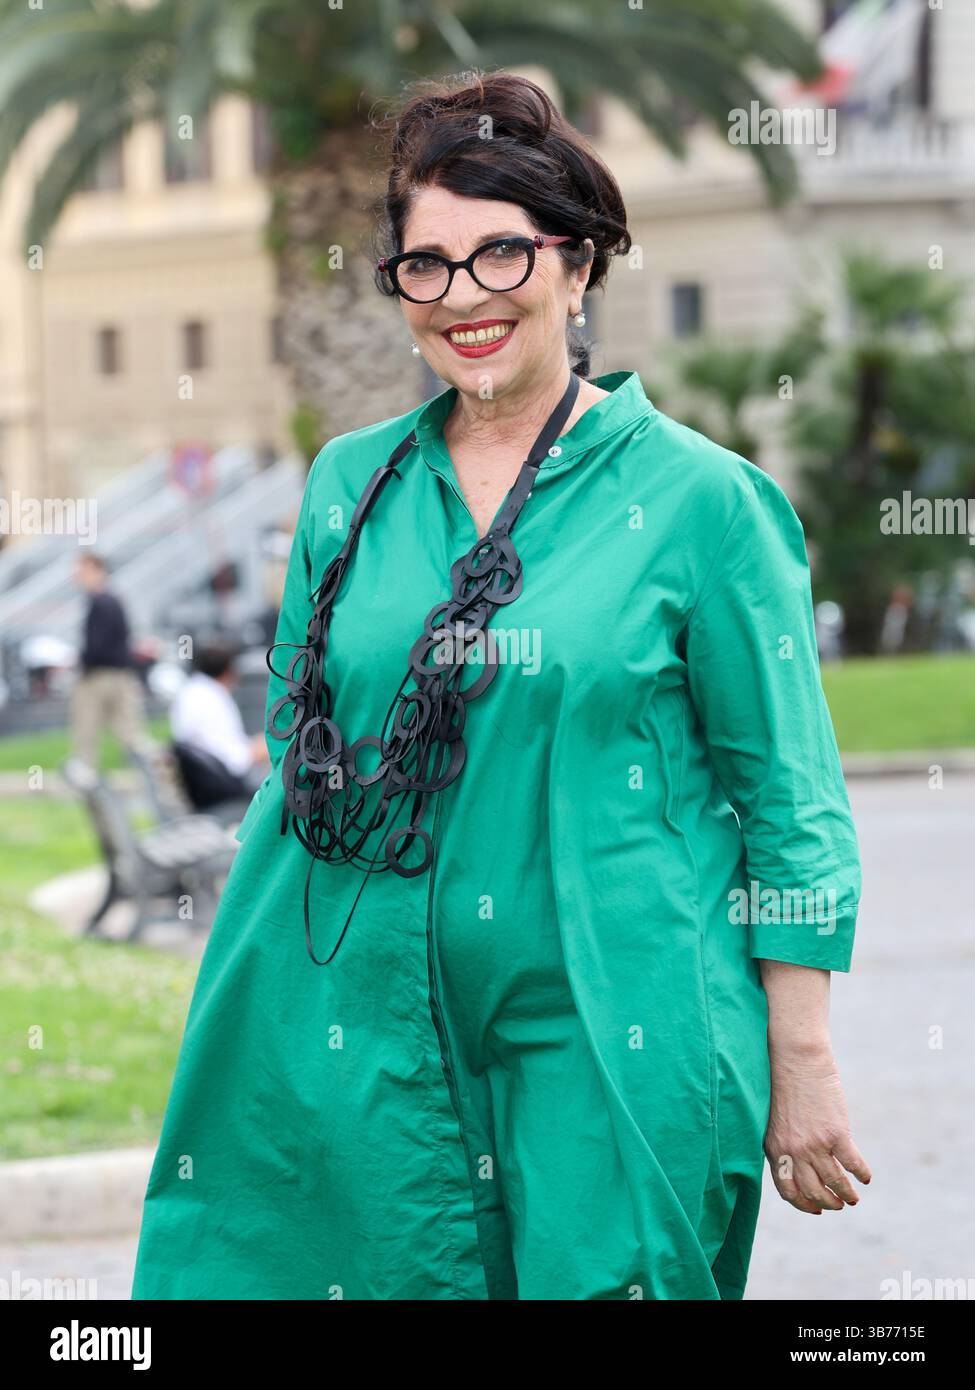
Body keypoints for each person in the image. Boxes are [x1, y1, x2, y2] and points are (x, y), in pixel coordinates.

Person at [132, 71, 870, 1302]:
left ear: (578, 266)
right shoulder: (347, 488)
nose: (464, 297)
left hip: (617, 1029)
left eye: (502, 255)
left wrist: (804, 1058)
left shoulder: (704, 504)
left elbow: (789, 802)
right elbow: (299, 764)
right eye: (427, 265)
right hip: (380, 1037)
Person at [71, 551, 150, 772]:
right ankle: (157, 778)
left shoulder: (102, 602)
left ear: (97, 570)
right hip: (119, 675)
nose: (78, 575)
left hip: (100, 677)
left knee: (87, 735)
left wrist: (80, 662)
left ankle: (86, 779)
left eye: (83, 569)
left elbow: (98, 646)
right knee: (131, 734)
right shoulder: (111, 600)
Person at [169, 640, 269, 800]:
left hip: (200, 780)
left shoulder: (190, 690)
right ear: (230, 670)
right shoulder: (214, 698)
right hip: (221, 785)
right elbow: (237, 760)